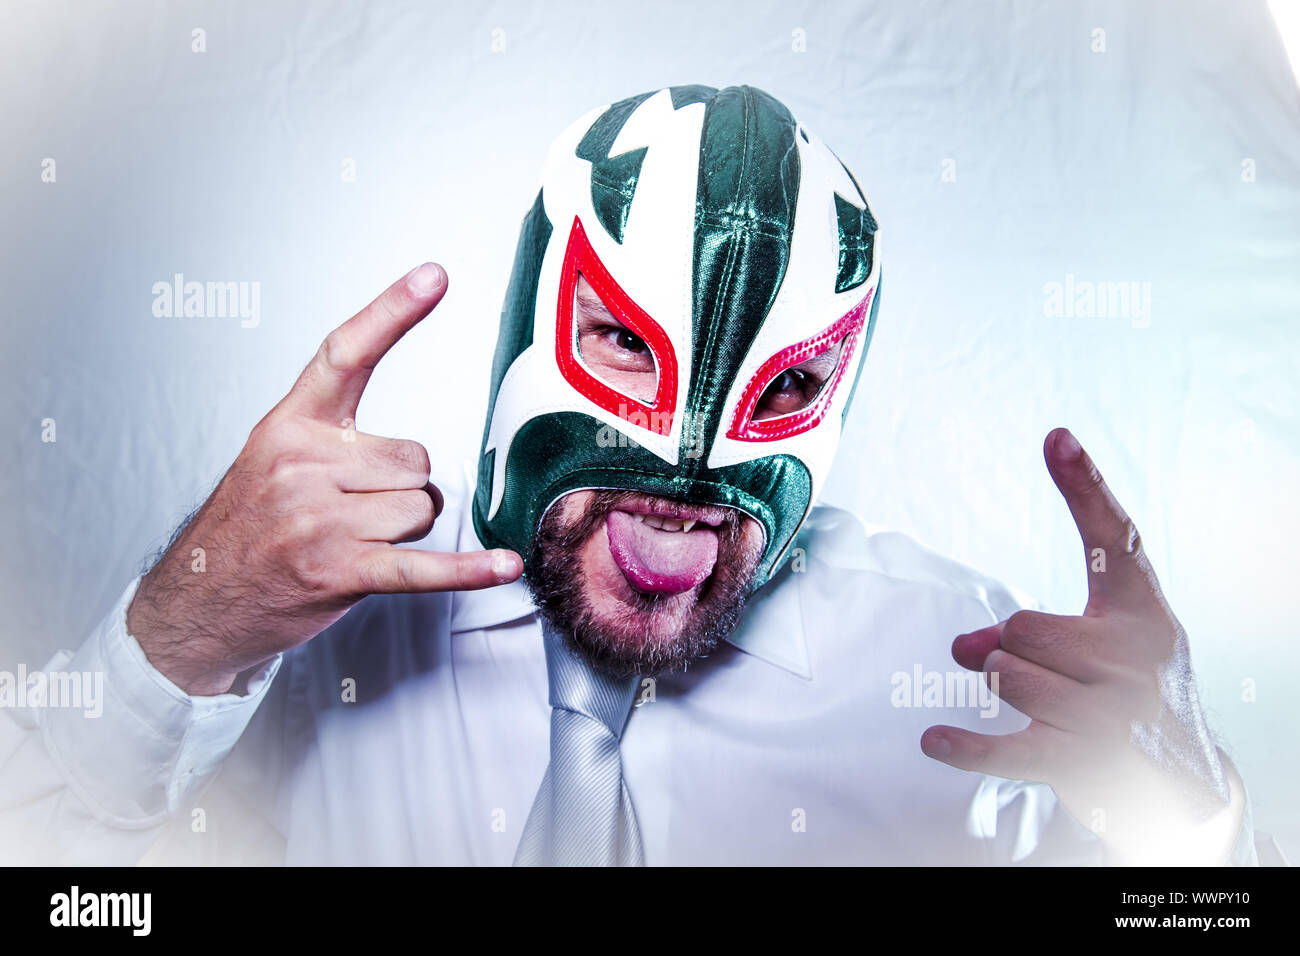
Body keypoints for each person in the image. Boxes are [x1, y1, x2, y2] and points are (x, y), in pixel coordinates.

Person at [0, 84, 1256, 866]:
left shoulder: (971, 666)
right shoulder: (320, 629)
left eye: (785, 386)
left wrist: (1191, 827)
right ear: (528, 328)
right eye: (620, 341)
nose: (687, 467)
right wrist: (181, 629)